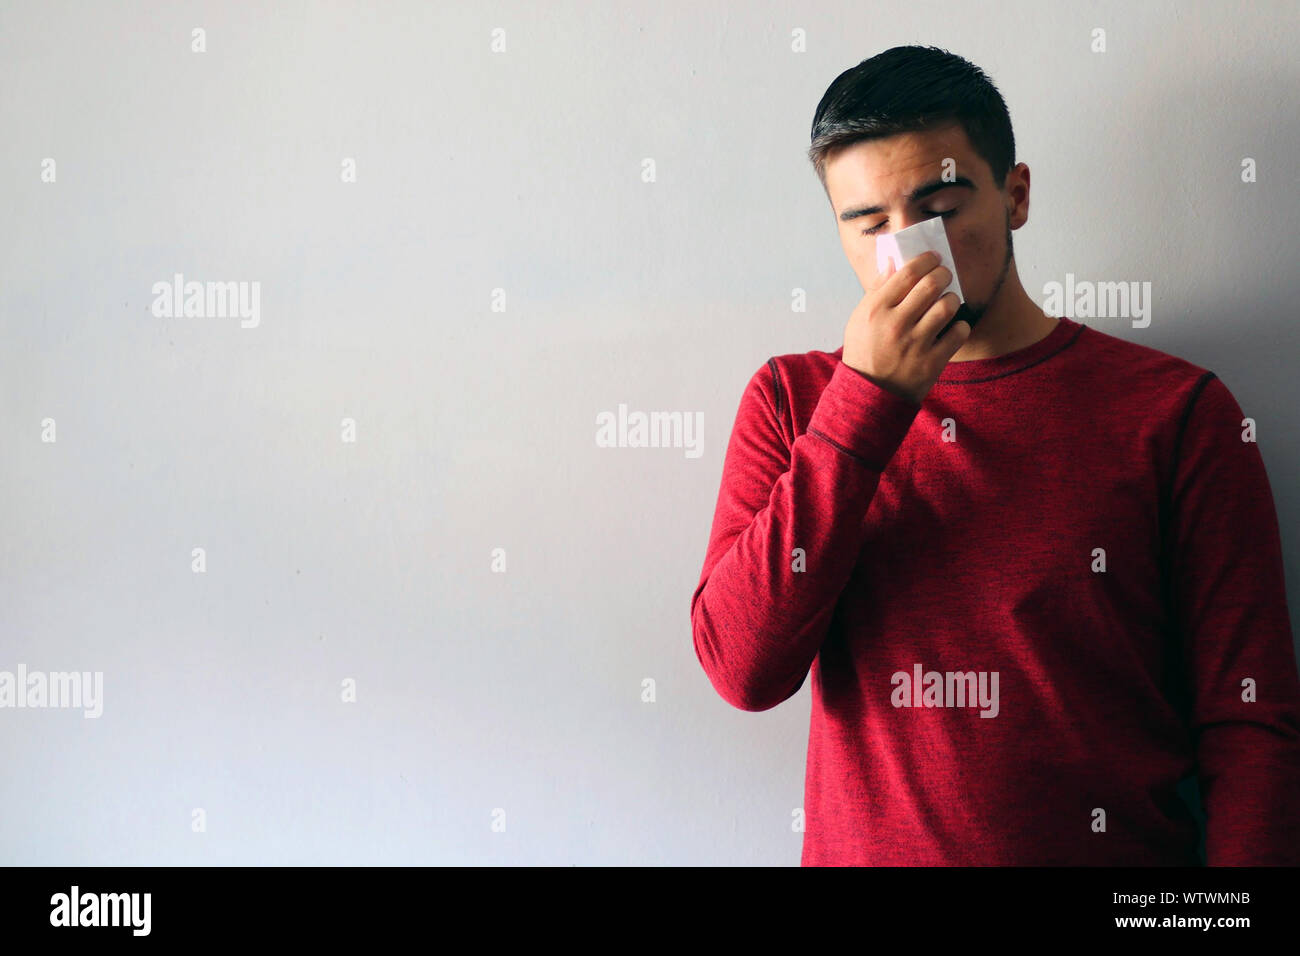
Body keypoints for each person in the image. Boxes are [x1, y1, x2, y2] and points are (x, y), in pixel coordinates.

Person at [689, 45, 1300, 866]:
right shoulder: (792, 402)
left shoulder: (1175, 412)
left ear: (1015, 197)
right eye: (868, 223)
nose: (909, 250)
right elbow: (742, 672)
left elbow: (1250, 719)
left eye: (939, 205)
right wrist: (867, 402)